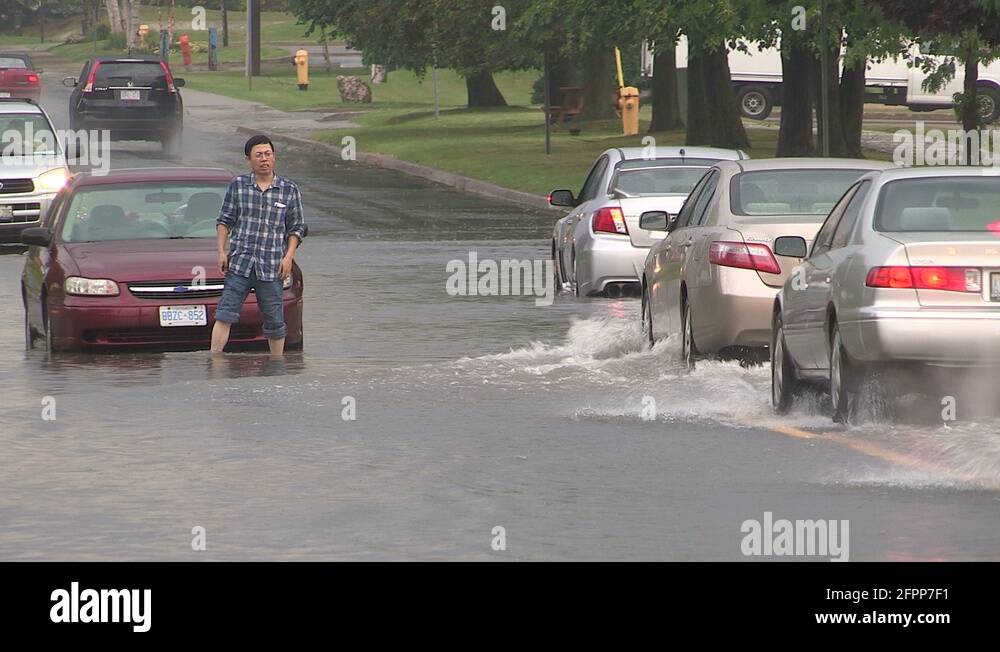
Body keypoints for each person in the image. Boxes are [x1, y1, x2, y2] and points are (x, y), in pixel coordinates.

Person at [211, 135, 305, 355]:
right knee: (225, 313)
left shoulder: (288, 189)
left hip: (272, 265)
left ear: (274, 157)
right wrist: (221, 251)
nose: (264, 159)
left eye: (268, 154)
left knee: (274, 320)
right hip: (240, 263)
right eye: (259, 155)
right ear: (248, 160)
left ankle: (277, 365)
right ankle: (214, 361)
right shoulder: (239, 186)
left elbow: (296, 229)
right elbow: (225, 220)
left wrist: (288, 257)